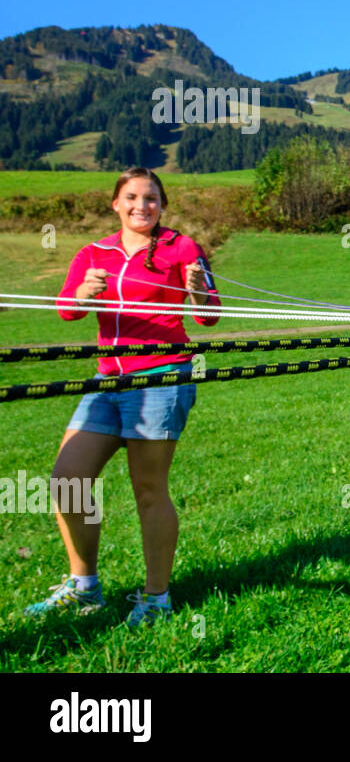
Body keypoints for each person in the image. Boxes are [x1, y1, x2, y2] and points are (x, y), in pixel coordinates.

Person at [24, 167, 220, 626]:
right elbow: (67, 310)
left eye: (151, 198)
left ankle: (156, 598)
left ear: (162, 205)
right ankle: (84, 586)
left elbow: (210, 316)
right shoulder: (94, 253)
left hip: (161, 376)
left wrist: (197, 290)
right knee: (68, 480)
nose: (141, 206)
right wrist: (84, 293)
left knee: (149, 489)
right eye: (131, 197)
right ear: (115, 203)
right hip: (106, 381)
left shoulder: (182, 247)